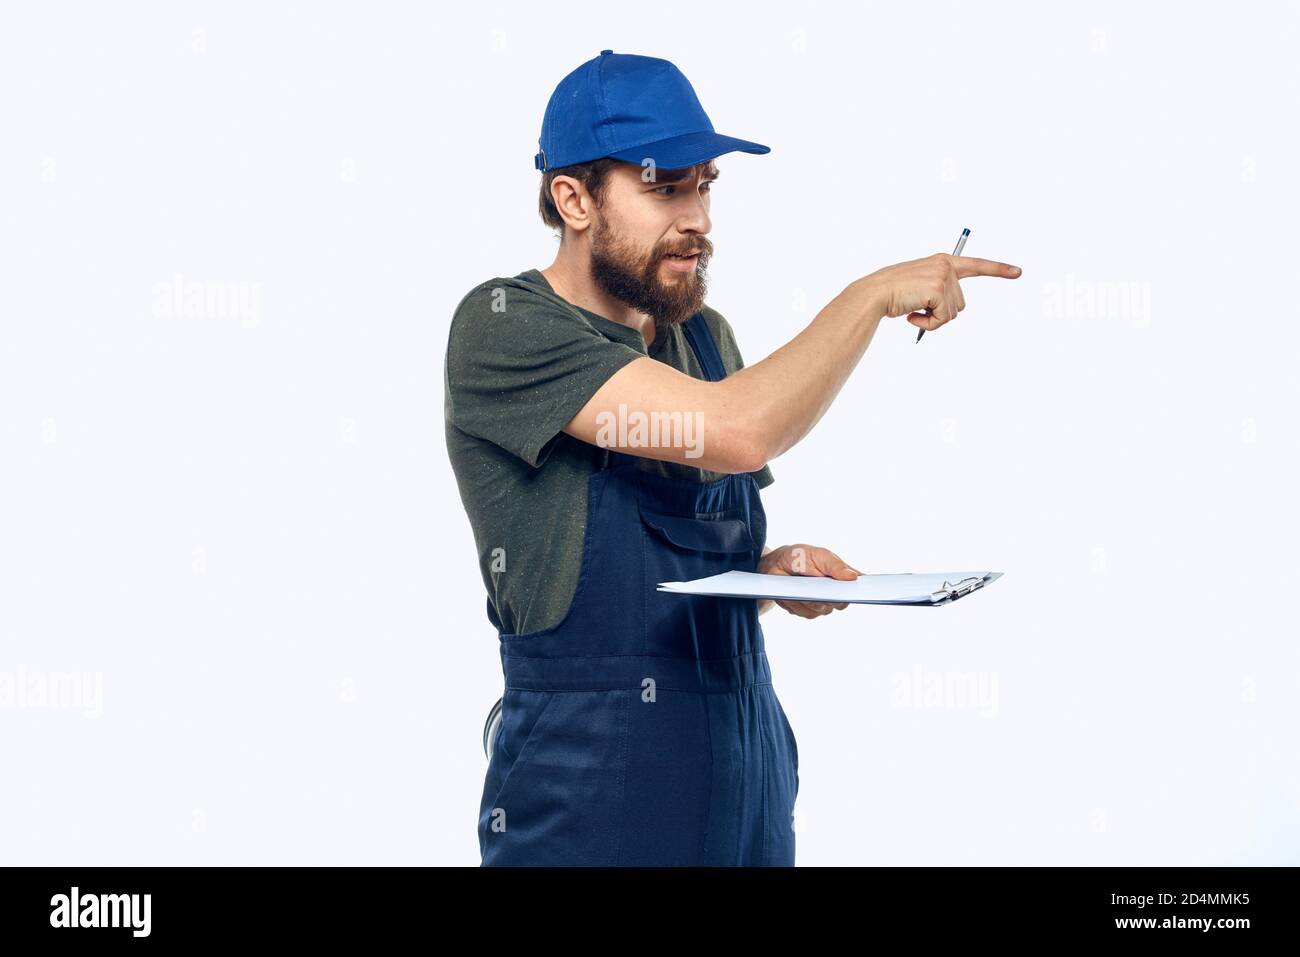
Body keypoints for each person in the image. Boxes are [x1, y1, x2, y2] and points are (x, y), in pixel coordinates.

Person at [444, 49, 1021, 866]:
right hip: (589, 795)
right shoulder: (505, 328)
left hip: (743, 774)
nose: (700, 219)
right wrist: (870, 294)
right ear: (573, 198)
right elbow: (742, 429)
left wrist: (771, 574)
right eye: (664, 187)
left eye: (706, 185)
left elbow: (685, 564)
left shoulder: (706, 342)